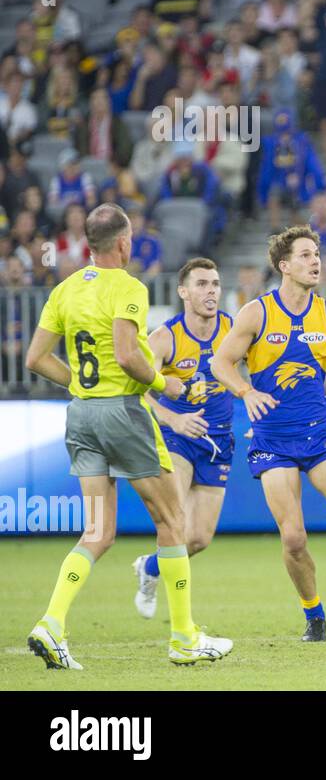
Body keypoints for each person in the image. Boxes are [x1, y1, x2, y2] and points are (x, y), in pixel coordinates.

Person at [23, 203, 232, 668]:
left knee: (97, 532)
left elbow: (35, 359)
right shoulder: (128, 287)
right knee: (173, 522)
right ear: (123, 242)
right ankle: (183, 639)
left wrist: (79, 384)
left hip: (81, 414)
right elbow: (125, 353)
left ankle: (52, 623)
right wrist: (165, 384)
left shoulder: (65, 290)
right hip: (123, 414)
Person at [211, 226, 326, 641]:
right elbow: (220, 364)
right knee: (294, 536)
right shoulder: (256, 313)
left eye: (316, 254)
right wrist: (246, 392)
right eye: (304, 255)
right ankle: (314, 615)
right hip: (272, 440)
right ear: (284, 266)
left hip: (319, 434)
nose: (315, 261)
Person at [130, 258, 235, 620]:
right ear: (183, 292)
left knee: (198, 539)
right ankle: (182, 626)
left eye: (216, 284)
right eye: (203, 284)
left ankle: (150, 568)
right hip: (177, 441)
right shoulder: (164, 338)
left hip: (218, 442)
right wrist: (173, 420)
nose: (211, 291)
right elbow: (138, 392)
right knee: (174, 521)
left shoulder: (233, 330)